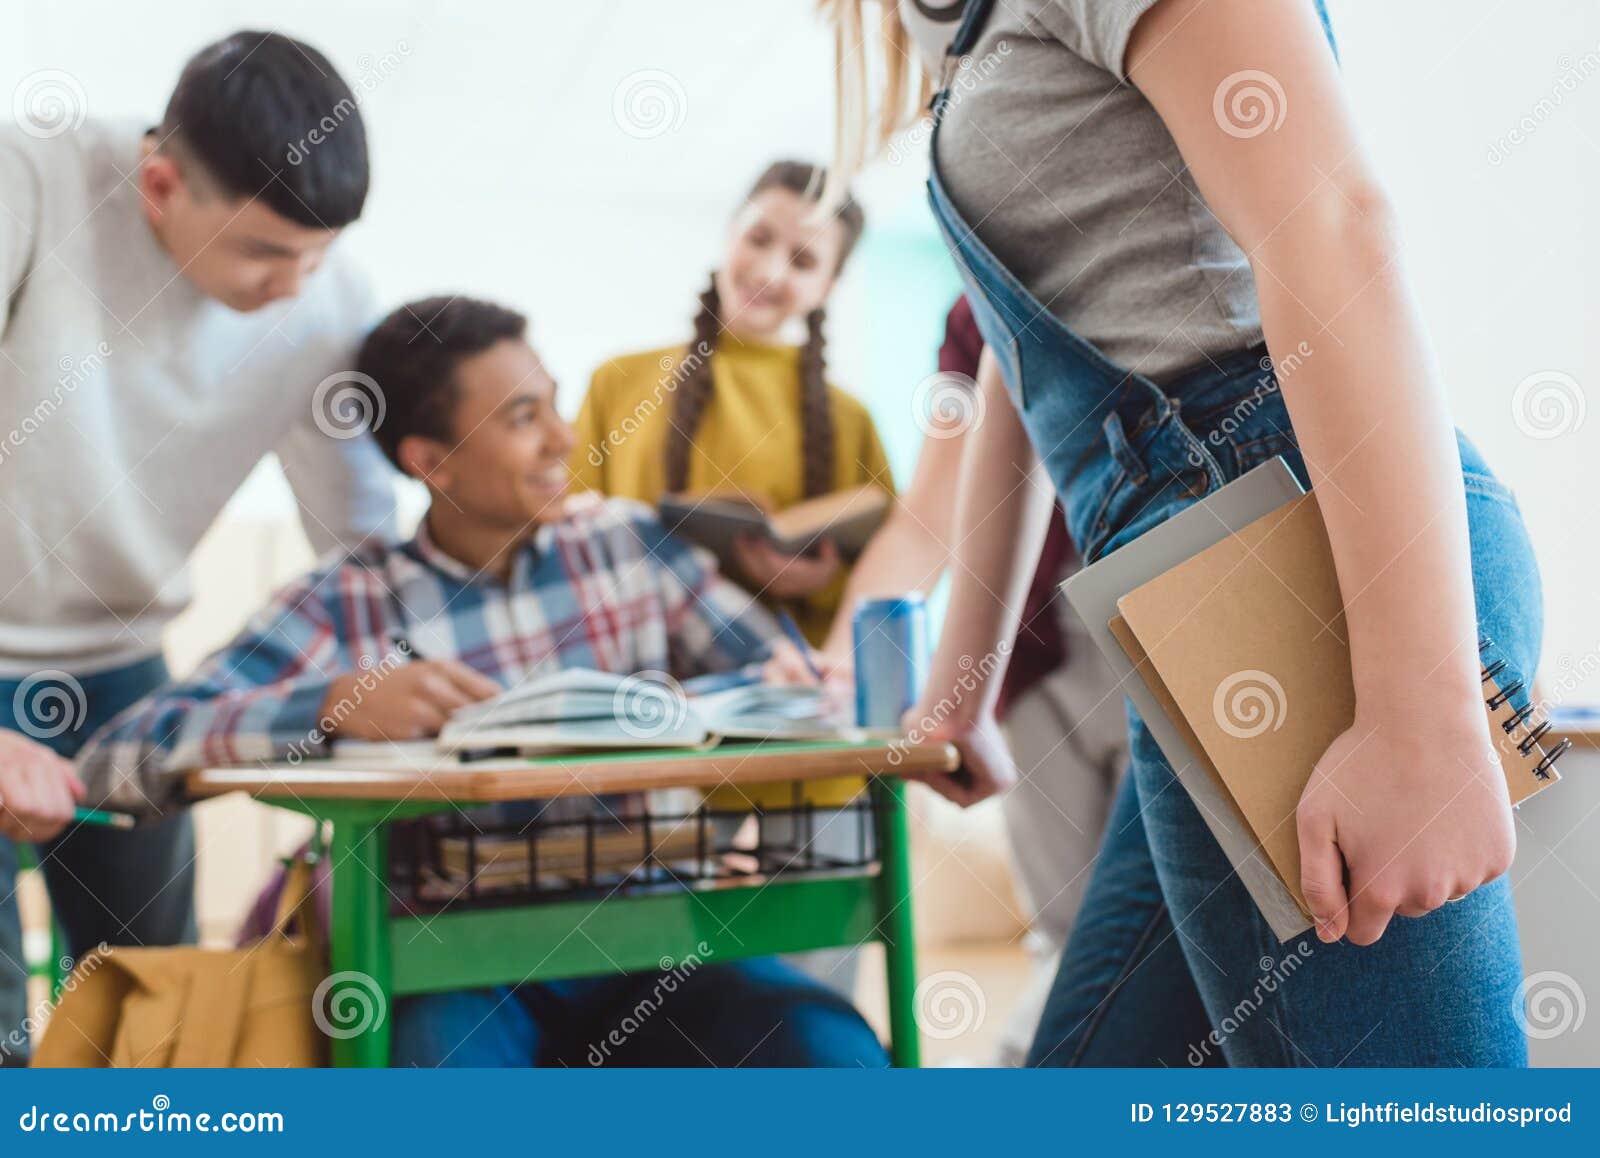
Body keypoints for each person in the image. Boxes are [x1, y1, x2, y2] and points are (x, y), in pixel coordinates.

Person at [822, 0, 1544, 1066]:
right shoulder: (953, 35)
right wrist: (961, 683)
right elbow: (1016, 367)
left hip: (1306, 560)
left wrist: (1421, 713)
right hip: (1198, 588)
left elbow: (1330, 222)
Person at [72, 296, 889, 1068]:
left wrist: (794, 679)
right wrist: (329, 706)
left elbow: (783, 675)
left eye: (555, 404)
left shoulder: (632, 549)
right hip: (456, 967)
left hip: (659, 947)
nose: (565, 439)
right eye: (523, 419)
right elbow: (118, 760)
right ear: (434, 462)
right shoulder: (348, 602)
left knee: (829, 1049)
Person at [0, 31, 395, 1064]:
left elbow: (355, 539)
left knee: (154, 1007)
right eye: (266, 252)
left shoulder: (325, 295)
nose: (296, 287)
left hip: (126, 670)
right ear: (160, 182)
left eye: (316, 256)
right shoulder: (29, 183)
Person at [568, 160, 896, 991]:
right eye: (759, 239)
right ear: (726, 236)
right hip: (653, 726)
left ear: (829, 286)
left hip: (804, 725)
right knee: (645, 981)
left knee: (817, 974)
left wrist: (807, 580)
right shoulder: (621, 383)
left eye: (804, 260)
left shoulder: (852, 417)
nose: (772, 270)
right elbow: (569, 539)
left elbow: (892, 571)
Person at [793, 296, 1129, 1064]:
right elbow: (933, 513)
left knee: (1176, 929)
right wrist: (847, 652)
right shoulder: (975, 308)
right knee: (1071, 932)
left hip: (1180, 624)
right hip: (1034, 654)